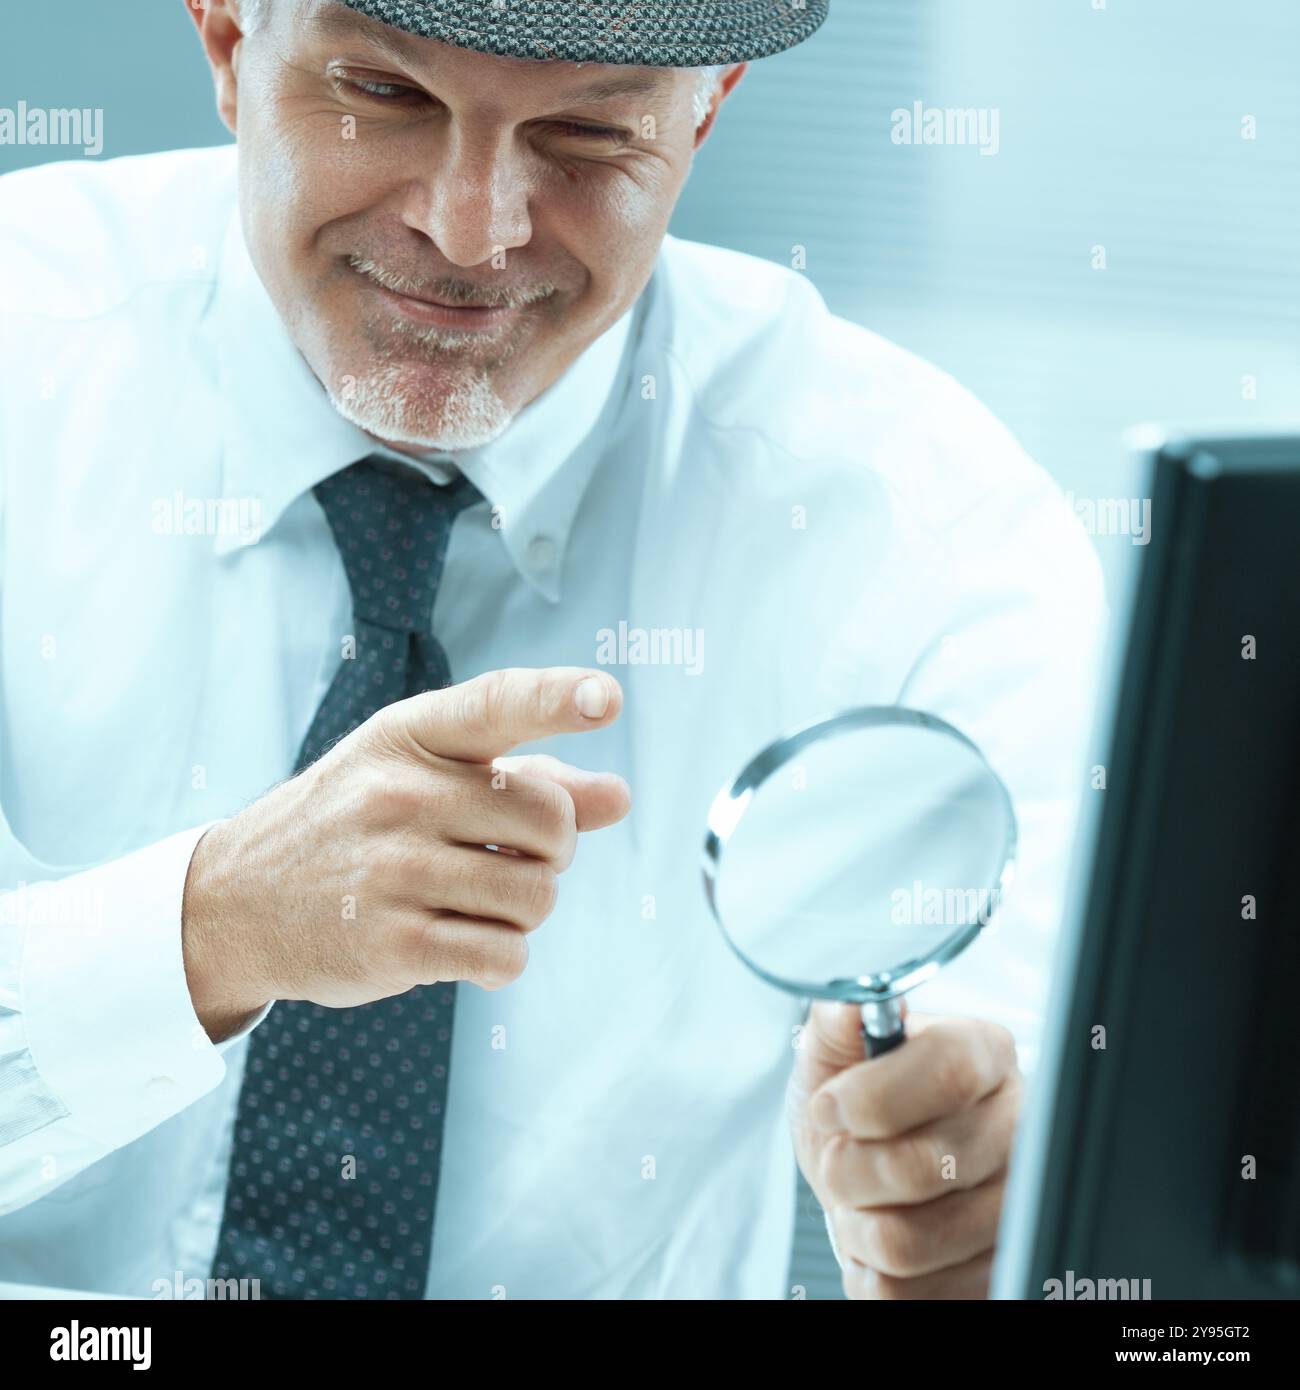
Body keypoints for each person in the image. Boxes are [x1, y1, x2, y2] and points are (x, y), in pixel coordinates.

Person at [0, 0, 1105, 1299]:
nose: (473, 229)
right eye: (383, 92)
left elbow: (1052, 1132)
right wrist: (206, 930)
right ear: (229, 39)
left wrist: (985, 1225)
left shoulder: (934, 540)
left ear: (708, 107)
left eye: (587, 131)